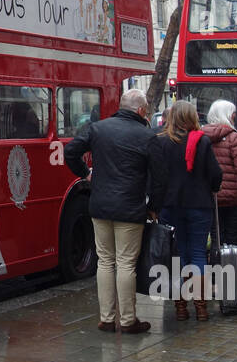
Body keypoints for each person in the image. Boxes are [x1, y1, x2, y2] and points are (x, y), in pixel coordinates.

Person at [66, 86, 167, 334]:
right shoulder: (147, 136)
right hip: (130, 208)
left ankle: (106, 318)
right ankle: (128, 320)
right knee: (125, 263)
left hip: (99, 205)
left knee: (105, 261)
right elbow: (160, 179)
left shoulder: (99, 128)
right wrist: (154, 207)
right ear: (142, 110)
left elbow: (71, 152)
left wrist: (86, 173)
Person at [157, 100, 221, 322]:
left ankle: (181, 308)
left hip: (170, 206)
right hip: (199, 205)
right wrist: (211, 187)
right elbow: (216, 174)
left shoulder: (162, 141)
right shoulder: (201, 140)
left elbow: (155, 177)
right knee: (197, 254)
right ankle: (201, 308)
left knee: (178, 255)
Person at [203, 99, 237, 255]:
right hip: (234, 198)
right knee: (233, 238)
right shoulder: (234, 138)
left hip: (210, 196)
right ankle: (232, 273)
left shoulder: (200, 136)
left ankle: (216, 271)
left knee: (216, 237)